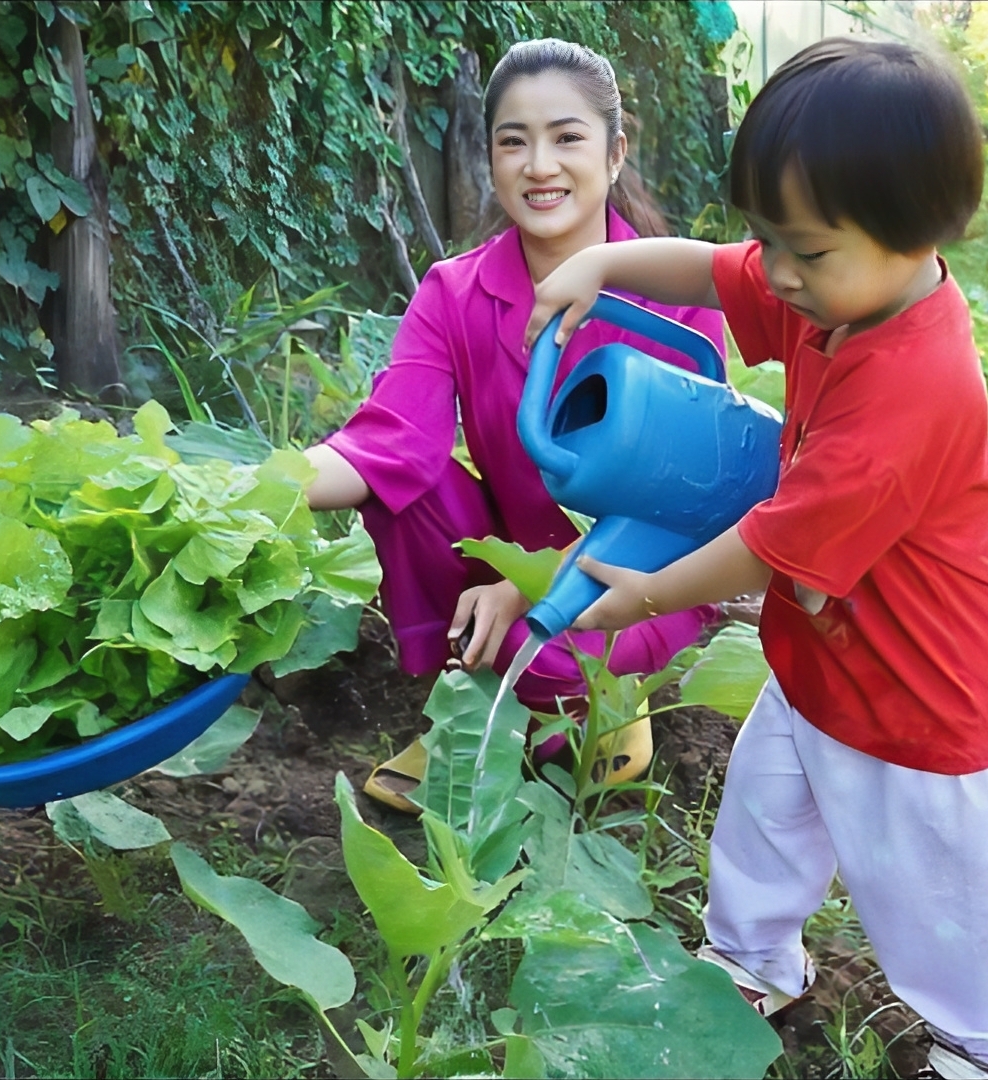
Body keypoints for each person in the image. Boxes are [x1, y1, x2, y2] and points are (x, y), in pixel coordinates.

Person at [527, 38, 988, 1080]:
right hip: (822, 651)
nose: (780, 274)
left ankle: (981, 1046)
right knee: (764, 813)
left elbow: (774, 541)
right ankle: (752, 957)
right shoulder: (836, 289)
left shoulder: (915, 384)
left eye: (805, 251)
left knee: (930, 887)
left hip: (918, 688)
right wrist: (604, 260)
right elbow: (714, 269)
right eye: (775, 241)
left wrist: (653, 594)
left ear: (921, 234)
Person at [301, 39, 725, 812]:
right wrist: (259, 492)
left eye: (567, 137)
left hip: (643, 572)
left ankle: (606, 700)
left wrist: (534, 584)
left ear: (614, 149)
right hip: (517, 548)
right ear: (488, 158)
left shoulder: (677, 294)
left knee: (547, 653)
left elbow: (679, 507)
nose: (540, 166)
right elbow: (389, 440)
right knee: (406, 486)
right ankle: (466, 708)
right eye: (513, 141)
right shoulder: (453, 292)